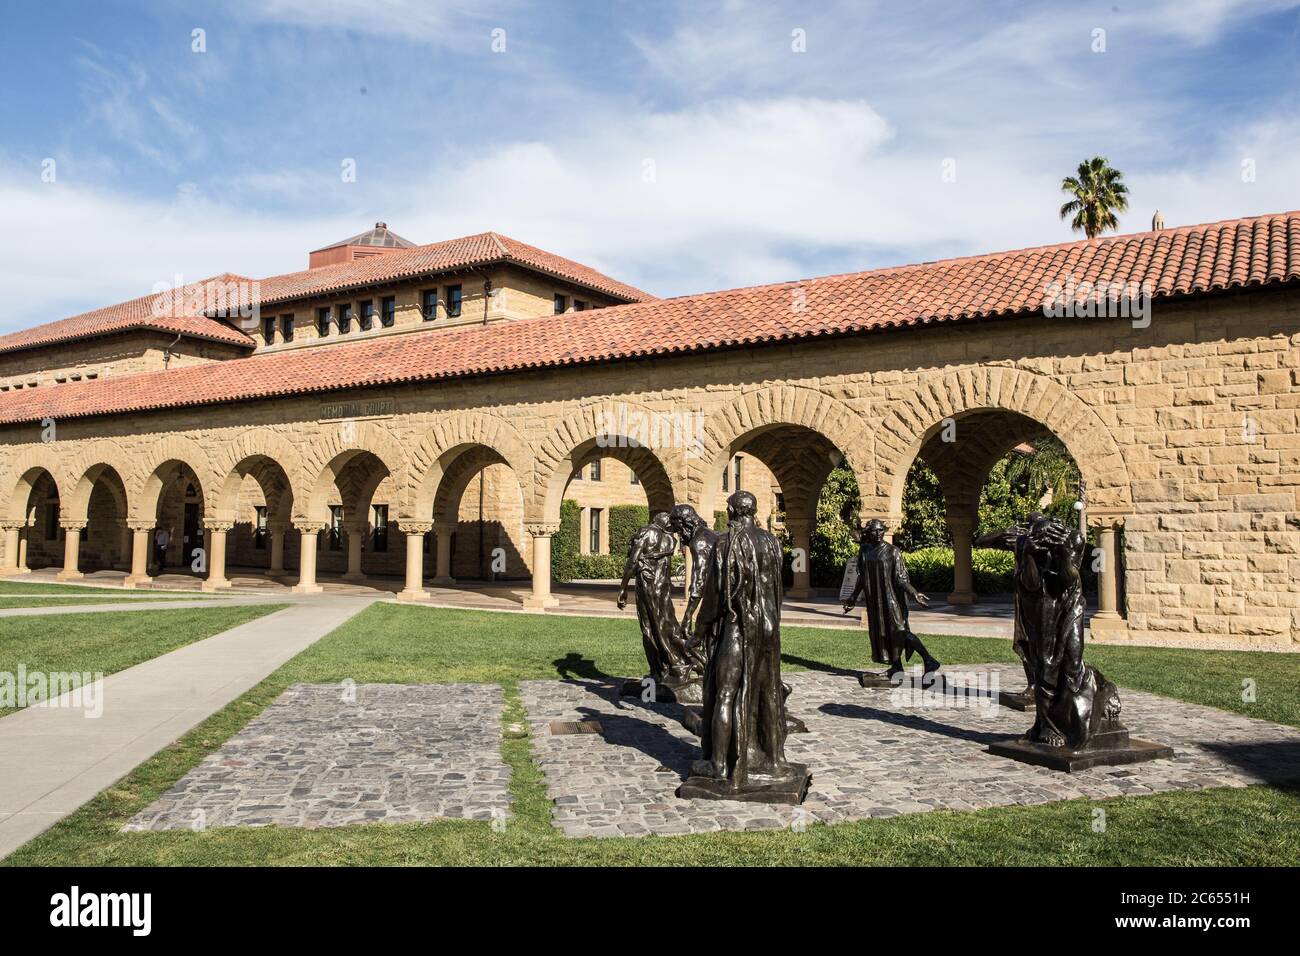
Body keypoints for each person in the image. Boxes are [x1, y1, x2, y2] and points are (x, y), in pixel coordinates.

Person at [691, 490, 796, 787]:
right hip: (768, 628)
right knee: (770, 692)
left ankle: (720, 765)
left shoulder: (725, 543)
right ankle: (775, 759)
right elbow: (776, 589)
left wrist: (698, 632)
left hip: (738, 627)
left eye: (728, 509)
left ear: (735, 511)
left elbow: (713, 597)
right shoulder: (772, 542)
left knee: (725, 692)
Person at [842, 519, 940, 679]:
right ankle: (896, 667)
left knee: (900, 632)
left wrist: (914, 593)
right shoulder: (865, 551)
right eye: (874, 531)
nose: (878, 533)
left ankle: (929, 660)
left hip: (891, 599)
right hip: (875, 600)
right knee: (883, 633)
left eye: (881, 530)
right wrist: (853, 597)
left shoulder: (893, 551)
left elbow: (901, 578)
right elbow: (862, 576)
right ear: (869, 532)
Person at [616, 512, 693, 682]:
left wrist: (623, 587)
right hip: (663, 588)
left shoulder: (648, 532)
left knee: (649, 628)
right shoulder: (670, 540)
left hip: (648, 585)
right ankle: (672, 664)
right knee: (666, 624)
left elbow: (633, 560)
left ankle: (659, 670)